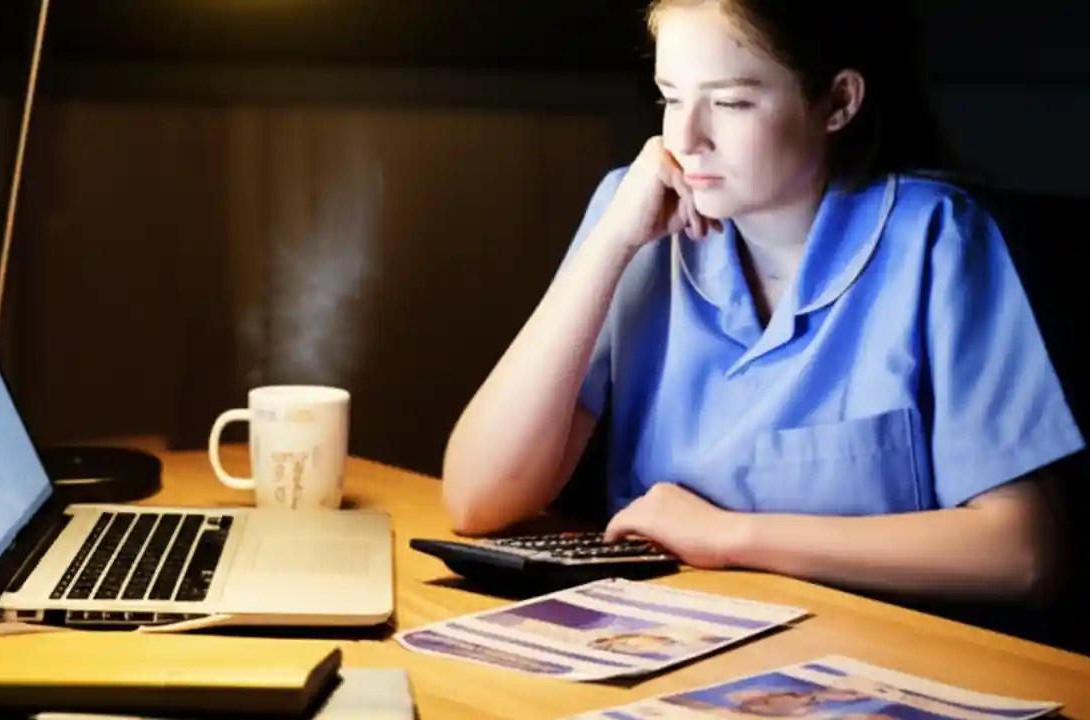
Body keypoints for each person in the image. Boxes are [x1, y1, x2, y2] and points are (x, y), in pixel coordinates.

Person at [440, 0, 1085, 604]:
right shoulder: (636, 216)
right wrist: (609, 243)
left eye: (732, 103)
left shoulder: (937, 239)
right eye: (670, 98)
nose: (686, 138)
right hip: (665, 640)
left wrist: (729, 537)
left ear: (837, 102)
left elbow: (1024, 551)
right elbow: (477, 499)